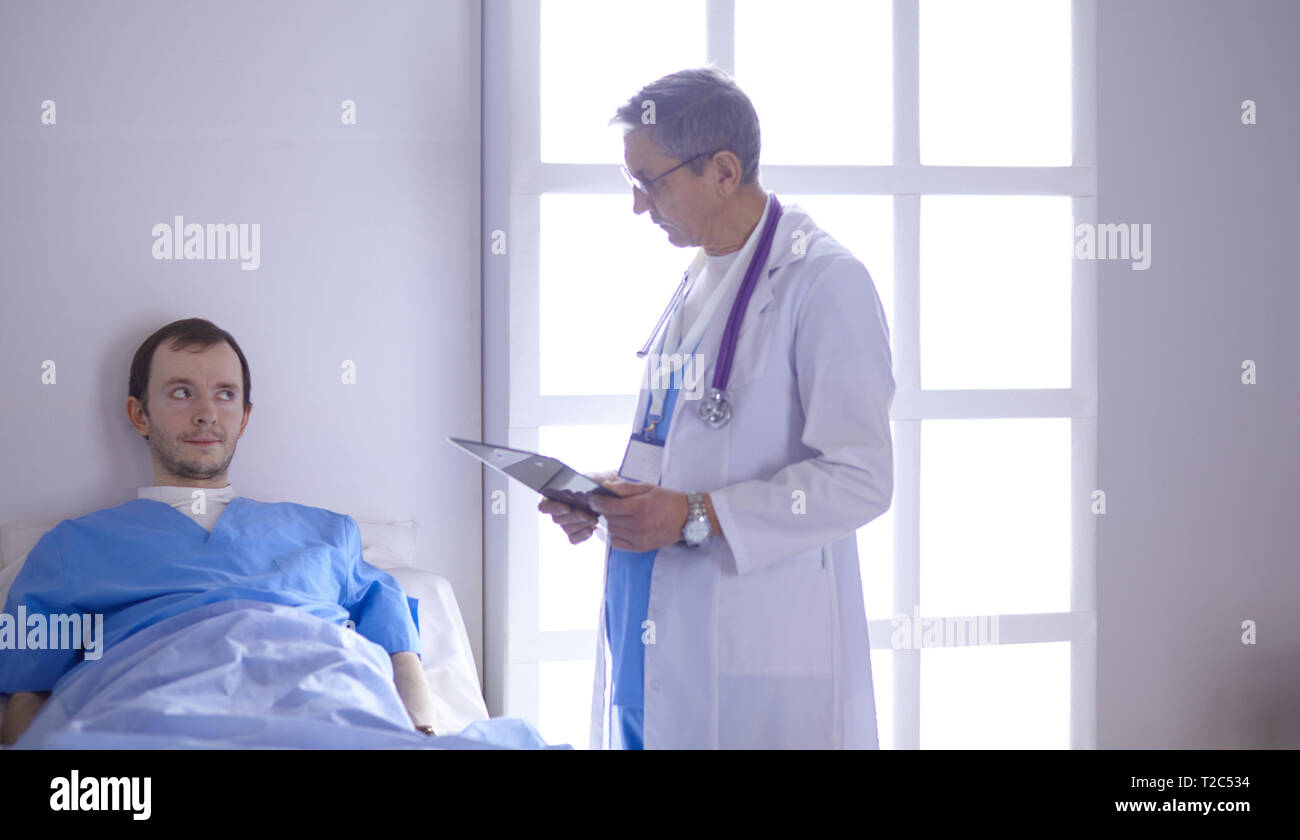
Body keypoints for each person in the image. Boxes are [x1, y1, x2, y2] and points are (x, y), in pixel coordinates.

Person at [540, 67, 896, 749]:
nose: (640, 206)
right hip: (653, 615)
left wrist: (700, 516)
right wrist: (606, 497)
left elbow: (862, 479)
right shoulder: (704, 273)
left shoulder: (824, 282)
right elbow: (680, 442)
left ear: (724, 170)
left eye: (652, 182)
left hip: (751, 637)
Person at [0, 317, 436, 745]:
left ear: (244, 418)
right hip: (143, 719)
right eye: (182, 392)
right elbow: (28, 693)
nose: (207, 414)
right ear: (139, 415)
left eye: (225, 395)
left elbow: (397, 644)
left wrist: (422, 734)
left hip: (326, 710)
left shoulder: (328, 534)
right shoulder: (71, 547)